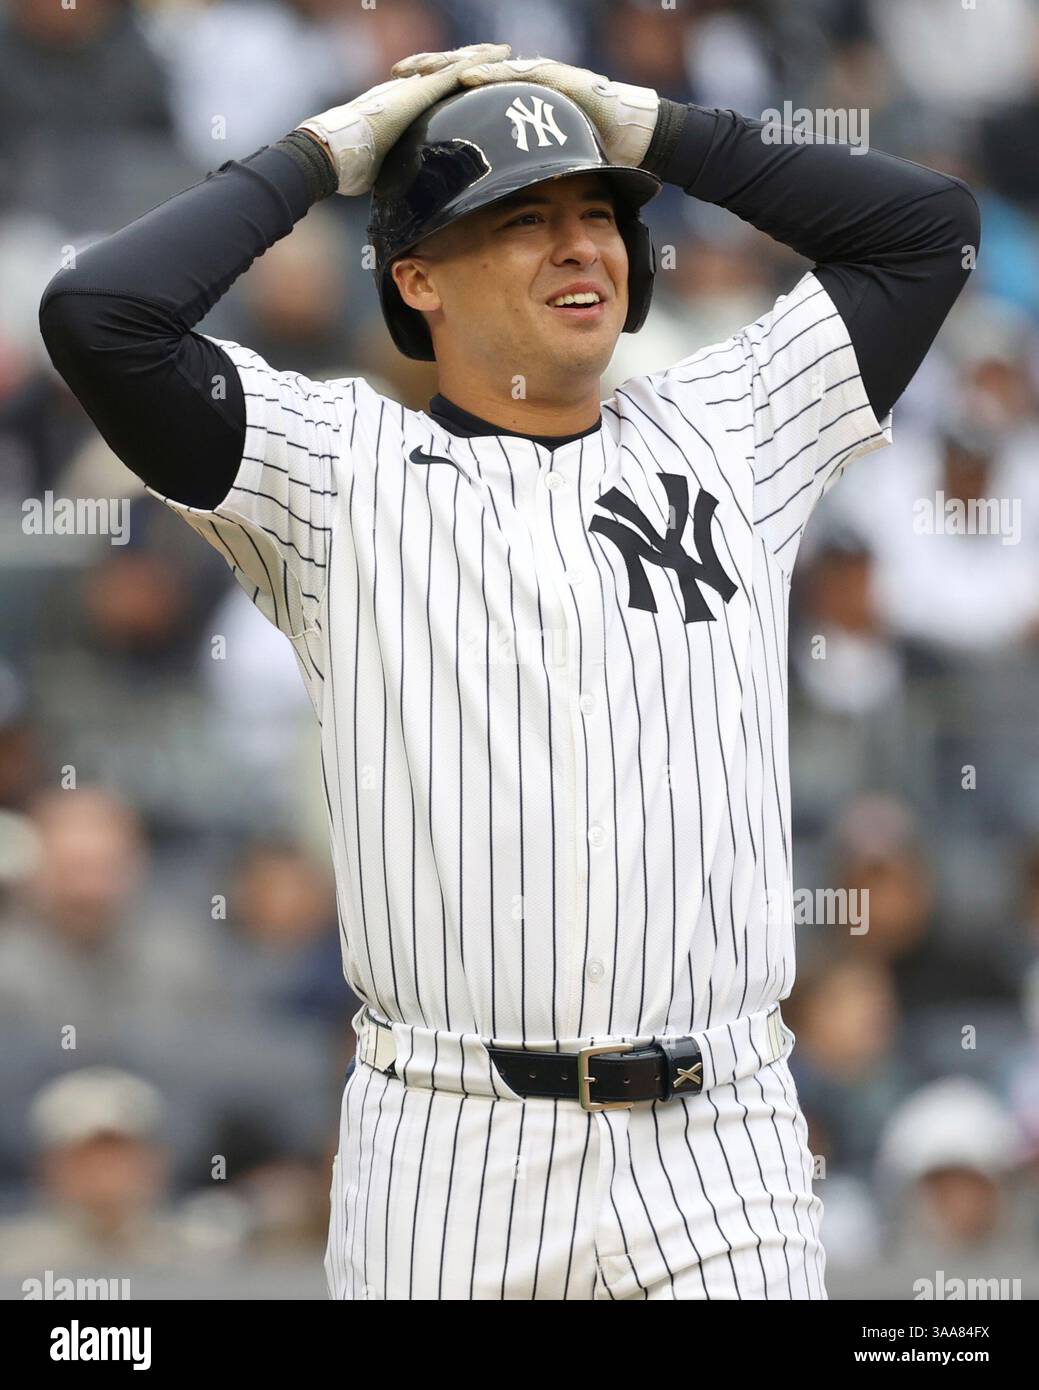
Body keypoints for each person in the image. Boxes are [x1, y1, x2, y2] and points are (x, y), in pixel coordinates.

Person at [38, 43, 978, 1299]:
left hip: (722, 1137)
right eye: (523, 219)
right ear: (415, 277)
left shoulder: (731, 429)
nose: (580, 244)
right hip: (449, 1138)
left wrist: (649, 128)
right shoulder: (331, 473)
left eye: (599, 215)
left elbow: (930, 232)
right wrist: (323, 154)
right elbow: (100, 315)